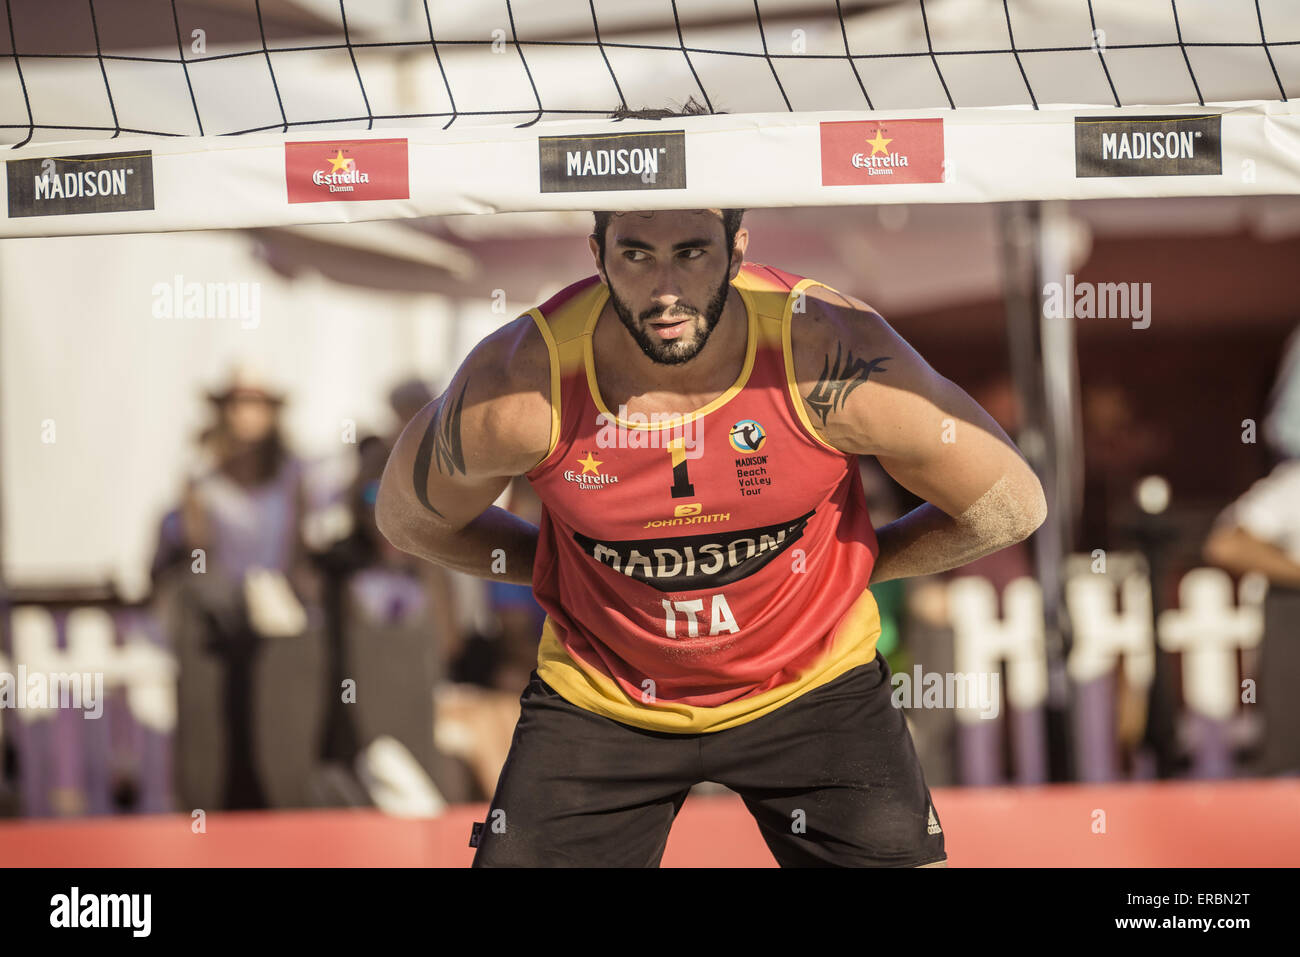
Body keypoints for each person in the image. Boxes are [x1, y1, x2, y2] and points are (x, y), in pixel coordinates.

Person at [376, 202, 1046, 867]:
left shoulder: (825, 355)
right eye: (636, 254)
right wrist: (554, 567)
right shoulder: (522, 385)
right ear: (597, 254)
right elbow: (408, 519)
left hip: (811, 682)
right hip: (604, 692)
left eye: (692, 253)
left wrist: (855, 561)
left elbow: (1010, 505)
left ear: (737, 249)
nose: (666, 289)